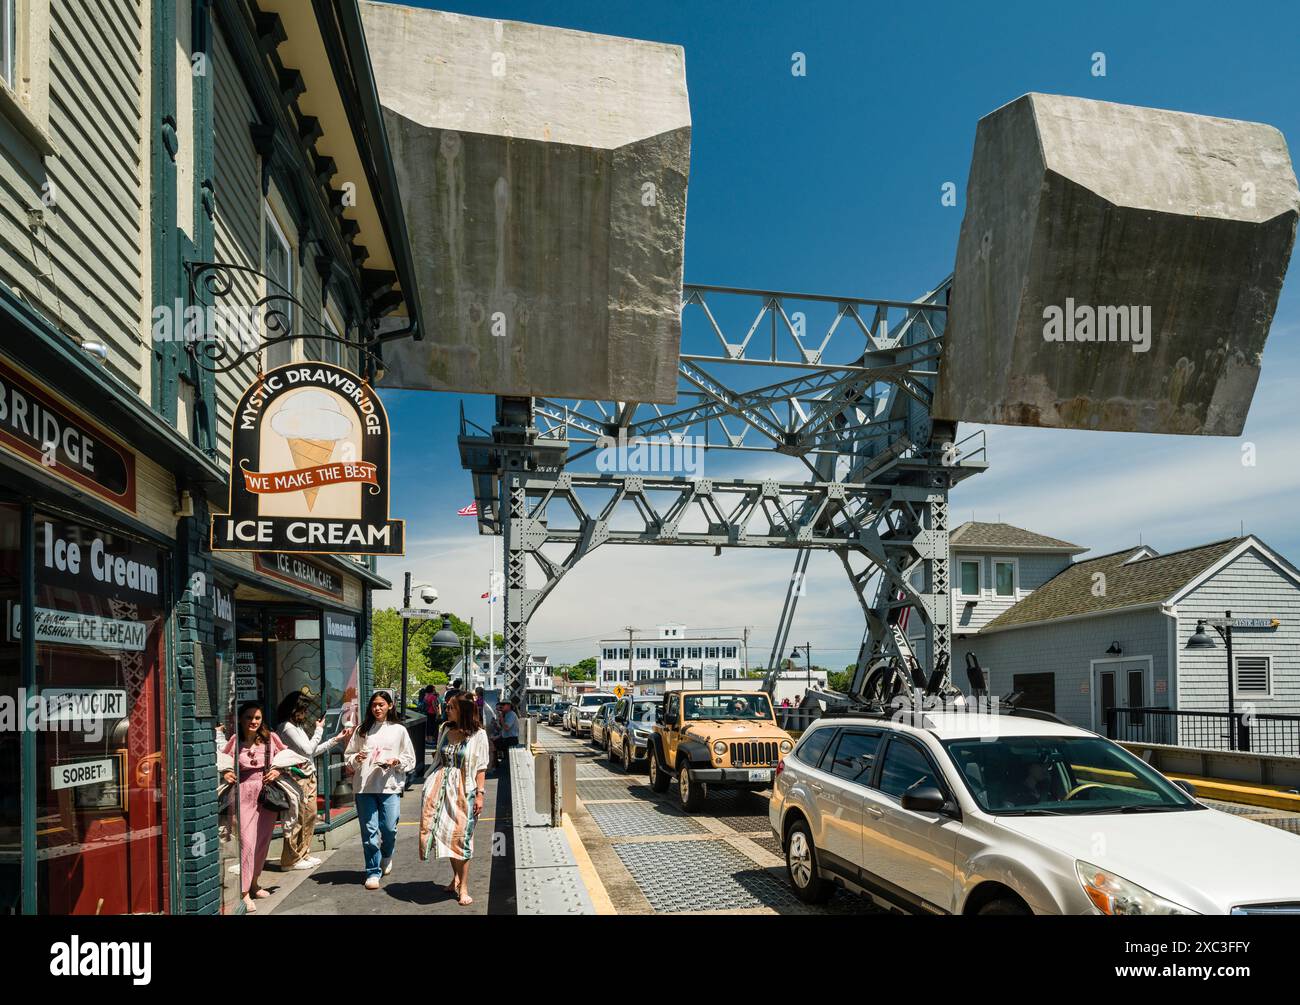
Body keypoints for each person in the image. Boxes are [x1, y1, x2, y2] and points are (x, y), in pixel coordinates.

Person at [419, 692, 490, 906]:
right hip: (440, 788)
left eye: (450, 706)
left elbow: (481, 767)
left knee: (461, 837)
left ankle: (464, 886)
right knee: (447, 835)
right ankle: (456, 878)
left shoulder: (478, 735)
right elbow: (438, 758)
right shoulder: (445, 729)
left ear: (463, 710)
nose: (446, 709)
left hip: (464, 789)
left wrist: (480, 794)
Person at [344, 689, 417, 890]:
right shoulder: (362, 730)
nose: (377, 708)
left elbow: (410, 758)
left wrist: (396, 761)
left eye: (381, 705)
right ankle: (372, 871)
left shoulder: (399, 730)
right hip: (364, 787)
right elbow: (348, 755)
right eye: (374, 705)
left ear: (390, 706)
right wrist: (355, 759)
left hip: (389, 785)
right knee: (369, 831)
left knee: (389, 828)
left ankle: (386, 854)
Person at [274, 689, 353, 871]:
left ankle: (303, 853)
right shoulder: (286, 727)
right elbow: (308, 750)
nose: (306, 714)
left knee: (309, 816)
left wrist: (335, 740)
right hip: (297, 777)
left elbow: (311, 752)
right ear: (294, 710)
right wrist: (319, 730)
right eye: (303, 710)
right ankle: (290, 859)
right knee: (298, 818)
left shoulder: (298, 728)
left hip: (308, 775)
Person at [220, 701, 288, 913]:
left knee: (262, 842)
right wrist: (226, 773)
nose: (253, 721)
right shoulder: (235, 740)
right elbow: (223, 761)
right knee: (247, 843)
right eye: (249, 717)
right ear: (240, 719)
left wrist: (278, 771)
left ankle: (255, 882)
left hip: (266, 794)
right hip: (243, 794)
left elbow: (288, 759)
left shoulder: (271, 739)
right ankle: (243, 893)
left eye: (257, 718)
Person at [494, 697, 519, 769]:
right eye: (501, 704)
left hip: (511, 740)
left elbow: (506, 728)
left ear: (509, 705)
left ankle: (494, 765)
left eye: (503, 704)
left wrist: (501, 716)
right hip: (507, 739)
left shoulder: (511, 714)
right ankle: (494, 764)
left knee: (492, 745)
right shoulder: (507, 714)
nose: (501, 706)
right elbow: (503, 729)